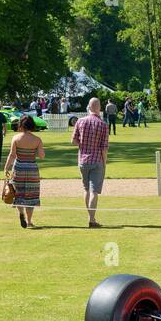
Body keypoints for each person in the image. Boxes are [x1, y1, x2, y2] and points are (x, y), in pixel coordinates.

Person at [71, 97, 110, 228]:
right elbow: (104, 147)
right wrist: (105, 162)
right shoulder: (103, 124)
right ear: (99, 107)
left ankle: (91, 218)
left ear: (88, 106)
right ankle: (92, 219)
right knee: (94, 191)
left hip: (83, 160)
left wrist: (83, 146)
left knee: (86, 189)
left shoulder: (80, 121)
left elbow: (73, 141)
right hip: (97, 160)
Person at [4, 115, 43, 229]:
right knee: (31, 195)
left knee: (18, 193)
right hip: (32, 169)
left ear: (21, 125)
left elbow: (12, 155)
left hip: (19, 168)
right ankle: (29, 221)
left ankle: (21, 214)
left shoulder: (16, 138)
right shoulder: (37, 139)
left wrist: (6, 168)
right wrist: (34, 151)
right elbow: (41, 156)